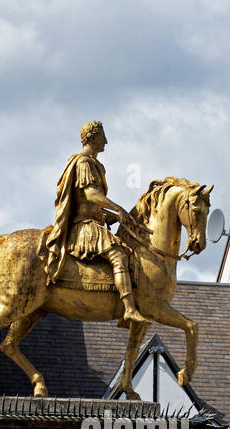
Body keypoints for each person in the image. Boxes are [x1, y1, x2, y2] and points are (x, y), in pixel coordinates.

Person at [38, 121, 155, 330]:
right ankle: (129, 308)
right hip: (84, 227)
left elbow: (89, 202)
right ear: (92, 138)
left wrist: (106, 215)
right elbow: (91, 194)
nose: (106, 141)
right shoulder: (84, 162)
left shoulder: (95, 164)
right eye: (102, 137)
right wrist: (118, 208)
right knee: (119, 254)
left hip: (93, 221)